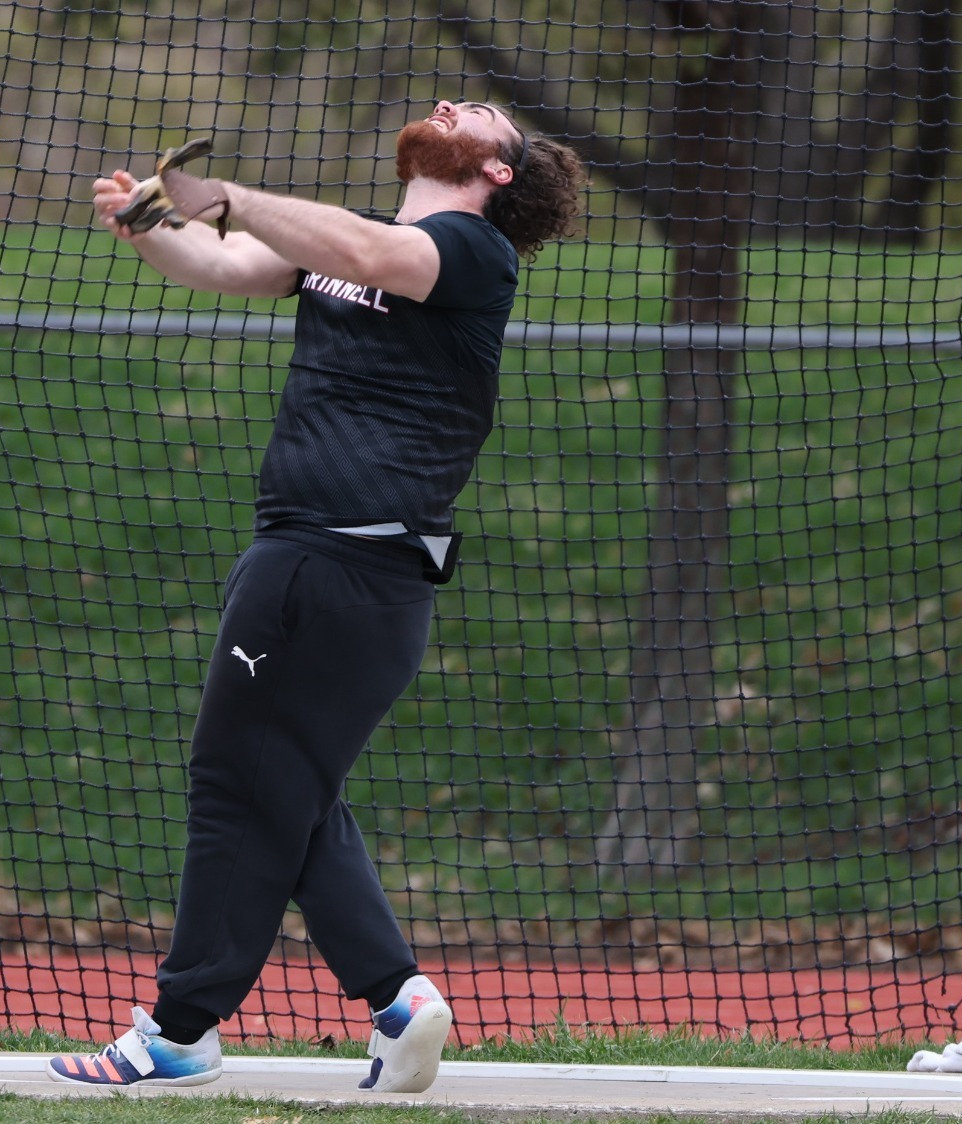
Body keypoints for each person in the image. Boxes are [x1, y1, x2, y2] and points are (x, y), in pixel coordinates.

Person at [46, 101, 588, 1093]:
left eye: (476, 113)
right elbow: (221, 266)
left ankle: (178, 1030)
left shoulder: (468, 251)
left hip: (334, 563)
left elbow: (371, 253)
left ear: (497, 171)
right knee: (285, 786)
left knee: (233, 784)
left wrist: (231, 195)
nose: (448, 105)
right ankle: (396, 996)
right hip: (336, 569)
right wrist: (147, 224)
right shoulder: (340, 243)